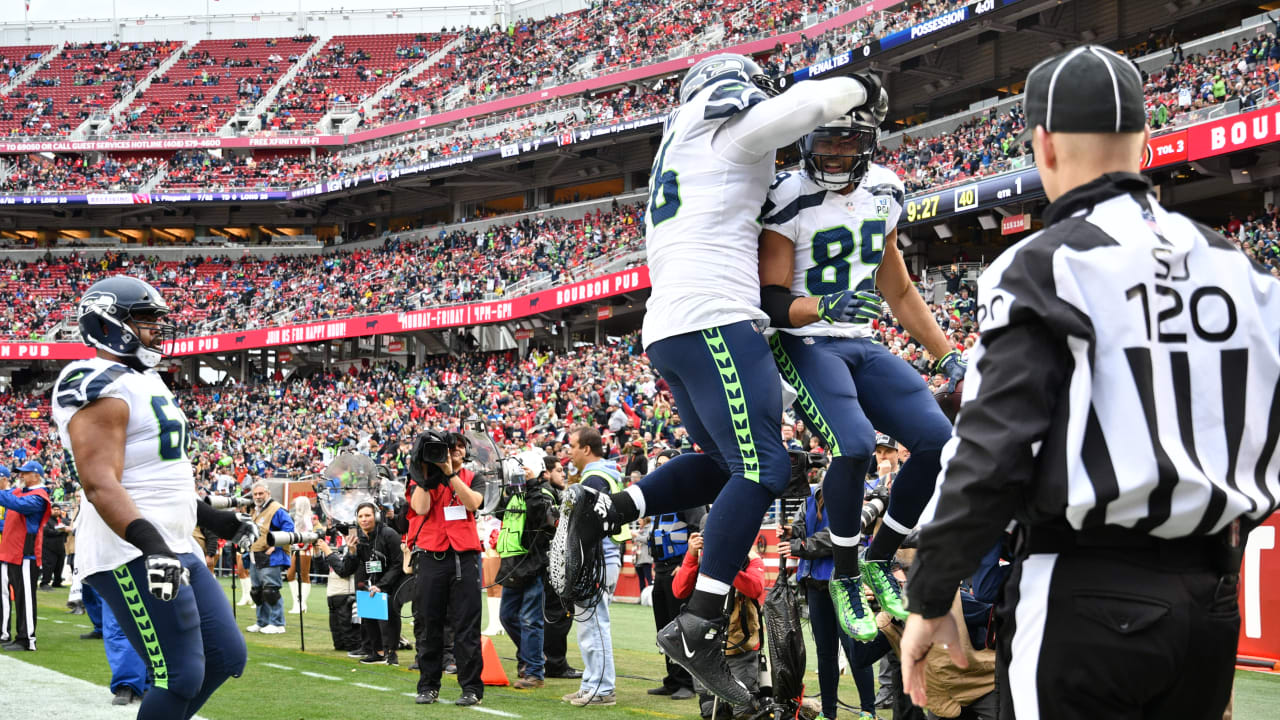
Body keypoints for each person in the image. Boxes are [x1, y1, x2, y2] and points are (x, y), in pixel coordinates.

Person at [900, 45, 1280, 720]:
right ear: (1144, 140)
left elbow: (991, 449)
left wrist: (931, 593)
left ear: (1043, 146)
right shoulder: (1241, 271)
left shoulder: (1043, 266)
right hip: (1212, 602)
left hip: (1085, 589)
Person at [553, 53, 884, 703]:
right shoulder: (723, 128)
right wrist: (860, 85)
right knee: (763, 466)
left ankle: (608, 509)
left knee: (726, 461)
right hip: (716, 320)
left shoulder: (682, 144)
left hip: (672, 328)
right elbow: (794, 112)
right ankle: (698, 624)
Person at [756, 93, 963, 643]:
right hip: (804, 339)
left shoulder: (885, 191)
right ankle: (845, 573)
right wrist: (823, 307)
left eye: (848, 141)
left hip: (860, 339)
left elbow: (895, 286)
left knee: (938, 441)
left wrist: (946, 353)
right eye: (825, 140)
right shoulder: (788, 196)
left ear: (868, 145)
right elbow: (771, 300)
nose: (835, 152)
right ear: (805, 143)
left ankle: (879, 557)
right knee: (851, 445)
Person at [52, 275, 256, 719]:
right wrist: (153, 547)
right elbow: (100, 482)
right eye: (144, 319)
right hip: (128, 546)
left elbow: (158, 477)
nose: (156, 329)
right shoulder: (94, 379)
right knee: (179, 673)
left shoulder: (145, 380)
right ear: (106, 325)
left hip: (170, 542)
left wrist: (210, 517)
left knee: (225, 654)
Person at [779, 482, 891, 720]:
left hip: (843, 583)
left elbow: (837, 537)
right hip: (816, 584)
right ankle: (828, 713)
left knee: (856, 649)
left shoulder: (852, 492)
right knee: (825, 653)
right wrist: (792, 534)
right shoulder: (810, 495)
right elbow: (802, 528)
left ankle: (868, 711)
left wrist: (801, 545)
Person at [406, 429, 485, 707]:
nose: (455, 452)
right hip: (431, 557)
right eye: (449, 449)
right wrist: (427, 477)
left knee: (467, 627)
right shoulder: (423, 477)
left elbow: (474, 503)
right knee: (429, 625)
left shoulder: (473, 477)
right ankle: (428, 686)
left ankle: (471, 688)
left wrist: (450, 474)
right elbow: (421, 509)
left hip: (463, 557)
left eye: (460, 448)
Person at [672, 531, 764, 720]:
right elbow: (679, 590)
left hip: (740, 649)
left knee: (743, 711)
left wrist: (726, 567)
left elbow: (755, 588)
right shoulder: (699, 558)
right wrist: (690, 556)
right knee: (710, 710)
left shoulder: (751, 559)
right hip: (704, 647)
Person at [562, 426, 625, 707]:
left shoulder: (596, 478)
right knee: (590, 626)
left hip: (599, 559)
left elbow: (584, 524)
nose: (569, 452)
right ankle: (591, 683)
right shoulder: (599, 475)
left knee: (595, 626)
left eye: (573, 446)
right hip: (601, 557)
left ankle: (602, 688)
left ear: (586, 449)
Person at [496, 451, 559, 689]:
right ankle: (531, 657)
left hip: (534, 563)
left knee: (531, 620)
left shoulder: (543, 492)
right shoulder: (515, 494)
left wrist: (531, 484)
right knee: (507, 616)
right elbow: (498, 511)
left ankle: (534, 672)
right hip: (514, 563)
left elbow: (541, 516)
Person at [337, 502, 404, 665]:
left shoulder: (389, 534)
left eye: (368, 515)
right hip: (371, 581)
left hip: (393, 581)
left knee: (389, 614)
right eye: (360, 516)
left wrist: (382, 584)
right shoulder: (357, 537)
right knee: (368, 613)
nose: (364, 519)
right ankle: (377, 652)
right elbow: (348, 569)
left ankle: (391, 653)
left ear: (376, 516)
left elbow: (398, 563)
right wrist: (352, 552)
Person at [0, 460, 52, 651]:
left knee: (26, 599)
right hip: (15, 553)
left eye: (25, 473)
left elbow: (15, 503)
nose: (20, 475)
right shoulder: (23, 492)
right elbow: (8, 495)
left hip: (25, 554)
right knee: (20, 598)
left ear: (36, 475)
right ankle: (21, 636)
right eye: (20, 473)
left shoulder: (38, 496)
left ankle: (28, 639)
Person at [245, 481, 294, 634]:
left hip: (270, 556)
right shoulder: (255, 510)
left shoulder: (277, 509)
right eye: (255, 494)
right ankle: (262, 622)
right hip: (255, 554)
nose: (258, 496)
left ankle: (278, 623)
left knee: (271, 591)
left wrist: (276, 546)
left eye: (261, 493)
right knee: (257, 591)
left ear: (268, 493)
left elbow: (289, 528)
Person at [40, 504, 71, 589]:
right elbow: (47, 531)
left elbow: (68, 528)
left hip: (60, 547)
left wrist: (62, 530)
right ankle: (44, 583)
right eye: (54, 509)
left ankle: (57, 582)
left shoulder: (62, 520)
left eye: (58, 509)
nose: (56, 511)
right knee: (48, 566)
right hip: (48, 547)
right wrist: (61, 531)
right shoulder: (46, 520)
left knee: (59, 566)